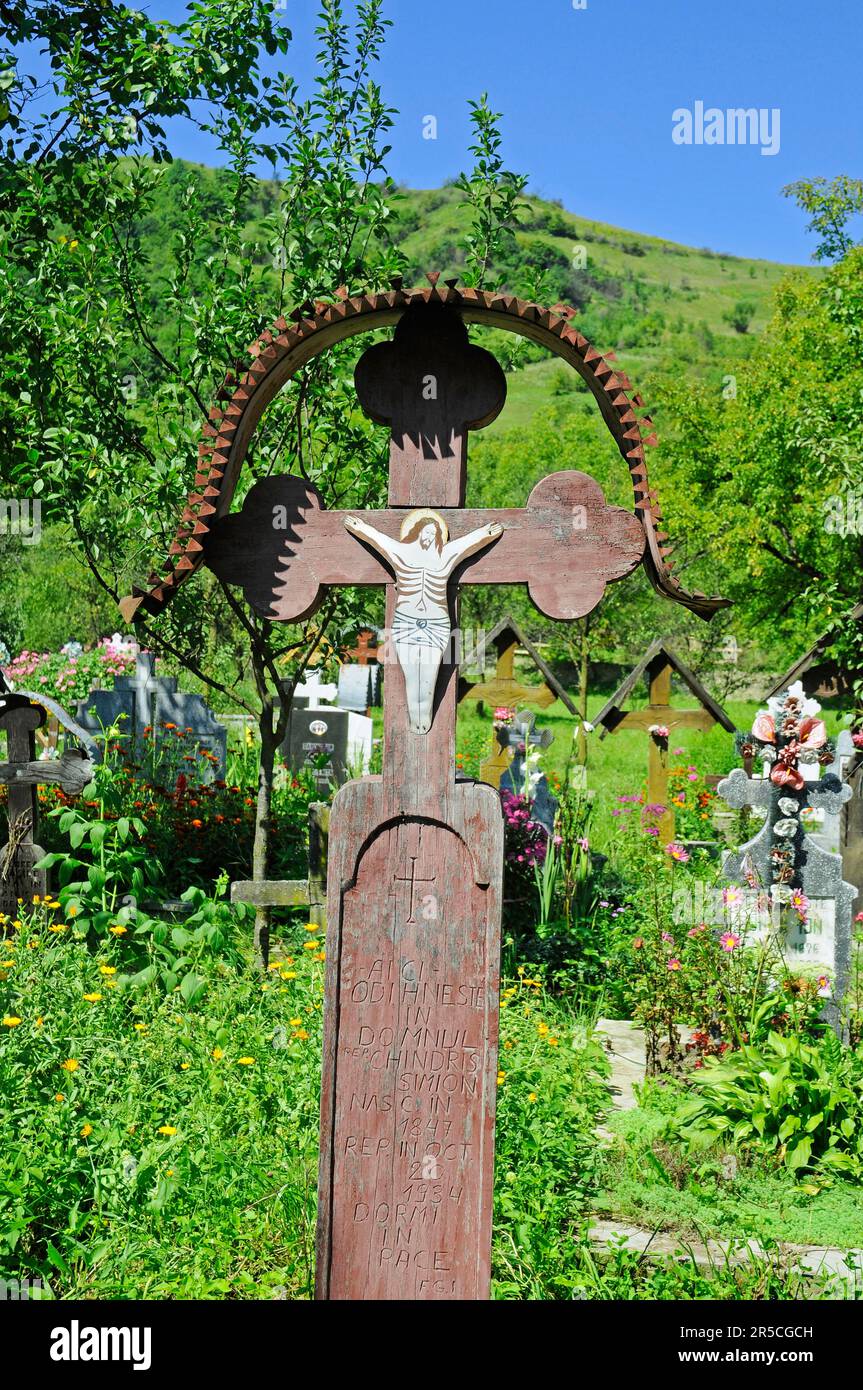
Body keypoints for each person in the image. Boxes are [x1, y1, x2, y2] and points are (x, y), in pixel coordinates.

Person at [344, 508, 502, 734]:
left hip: (436, 622)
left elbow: (469, 543)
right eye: (425, 532)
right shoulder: (400, 552)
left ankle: (423, 718)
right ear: (416, 532)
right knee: (411, 677)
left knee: (428, 676)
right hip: (406, 621)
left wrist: (487, 532)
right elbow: (377, 539)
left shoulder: (445, 555)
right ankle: (415, 719)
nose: (429, 537)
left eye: (433, 533)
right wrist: (360, 528)